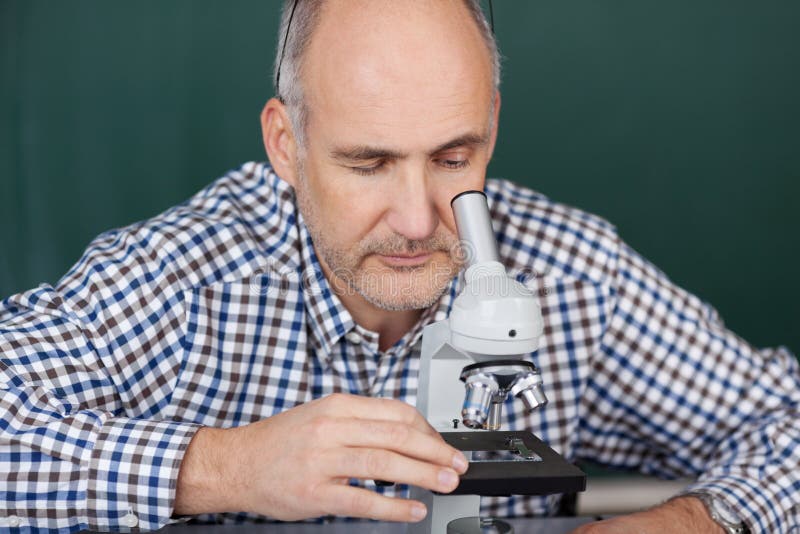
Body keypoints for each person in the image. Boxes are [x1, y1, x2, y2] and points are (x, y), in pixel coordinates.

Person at [1, 0, 798, 532]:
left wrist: (695, 522)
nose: (420, 221)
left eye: (455, 156)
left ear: (491, 121)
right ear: (288, 144)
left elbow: (784, 421)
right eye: (369, 163)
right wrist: (223, 466)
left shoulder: (576, 276)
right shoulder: (183, 283)